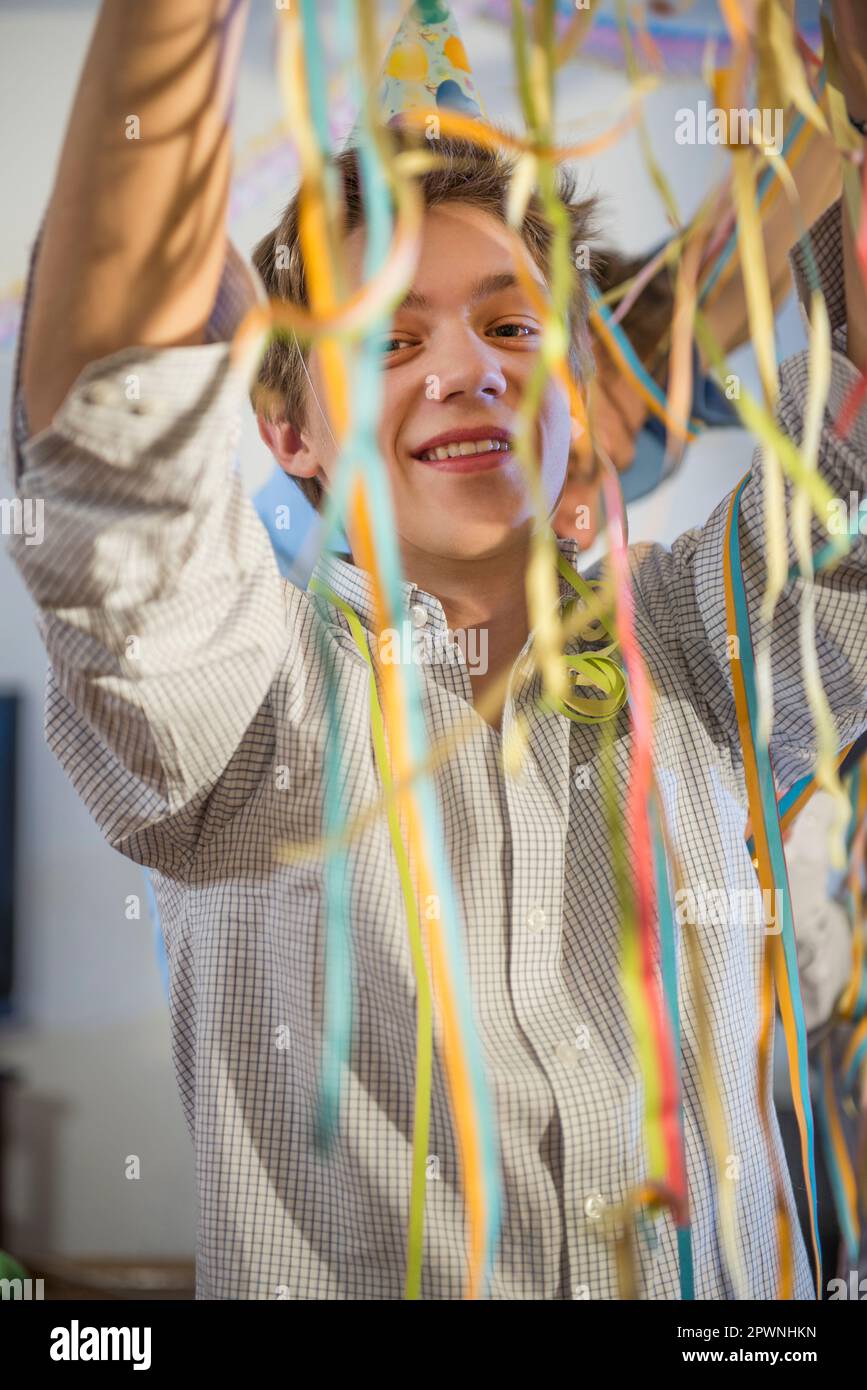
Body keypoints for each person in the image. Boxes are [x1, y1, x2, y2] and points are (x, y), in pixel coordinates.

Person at [7, 0, 867, 1300]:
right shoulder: (258, 708)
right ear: (291, 433)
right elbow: (113, 448)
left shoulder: (708, 641)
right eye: (387, 339)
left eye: (512, 326)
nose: (464, 370)